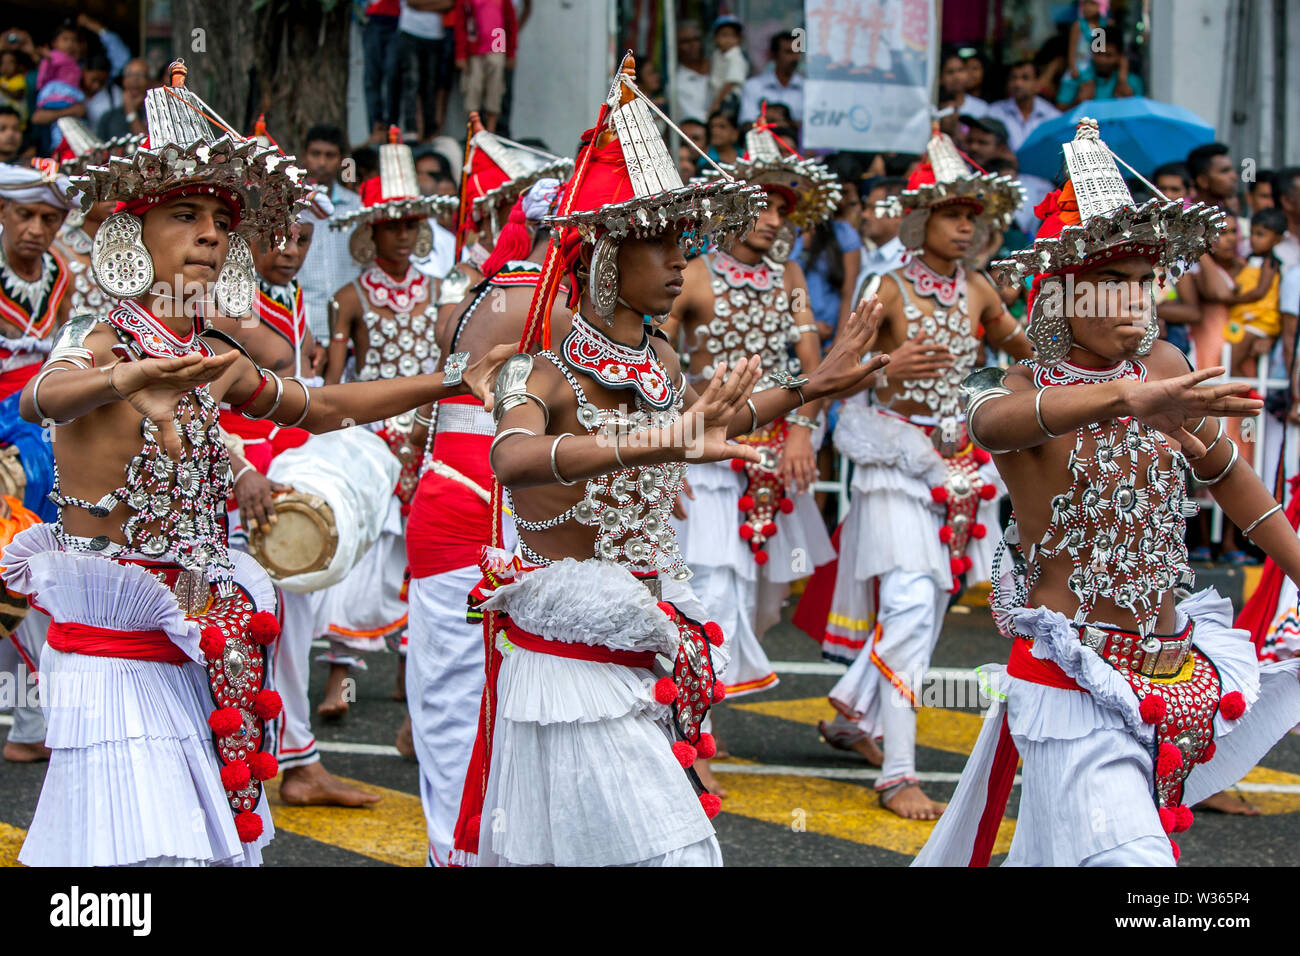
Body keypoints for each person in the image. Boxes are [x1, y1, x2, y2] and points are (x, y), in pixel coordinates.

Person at [1, 60, 506, 867]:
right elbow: (44, 399)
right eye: (187, 215)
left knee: (187, 848)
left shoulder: (212, 357)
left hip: (196, 644)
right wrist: (127, 379)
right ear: (132, 235)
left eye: (220, 221)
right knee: (139, 852)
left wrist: (451, 380)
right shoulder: (99, 341)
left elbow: (326, 406)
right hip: (116, 651)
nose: (212, 234)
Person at [451, 55, 886, 867]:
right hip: (572, 669)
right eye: (663, 245)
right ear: (606, 260)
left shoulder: (658, 362)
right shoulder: (538, 369)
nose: (684, 262)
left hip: (644, 650)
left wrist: (810, 386)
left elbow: (703, 424)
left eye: (685, 244)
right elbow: (512, 458)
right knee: (678, 857)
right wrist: (660, 439)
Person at [915, 117, 1300, 867]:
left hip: (1173, 671)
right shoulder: (1013, 382)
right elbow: (996, 425)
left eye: (1144, 281)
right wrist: (1124, 400)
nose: (1136, 299)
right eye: (1111, 282)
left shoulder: (1162, 362)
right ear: (1058, 293)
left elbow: (1230, 478)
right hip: (1071, 685)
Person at [796, 125, 1031, 820]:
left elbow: (1027, 359)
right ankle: (898, 774)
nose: (966, 227)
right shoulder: (884, 287)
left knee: (926, 612)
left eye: (974, 216)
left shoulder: (982, 289)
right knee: (908, 607)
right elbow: (833, 376)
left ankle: (853, 720)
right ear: (923, 217)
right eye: (954, 214)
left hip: (960, 467)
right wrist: (886, 367)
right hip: (894, 464)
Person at [665, 121, 843, 794]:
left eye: (782, 208)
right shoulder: (692, 274)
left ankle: (691, 721)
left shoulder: (791, 275)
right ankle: (690, 742)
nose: (772, 220)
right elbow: (661, 353)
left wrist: (800, 428)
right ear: (731, 206)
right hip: (710, 463)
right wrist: (689, 410)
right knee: (714, 592)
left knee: (760, 604)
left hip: (770, 464)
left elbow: (809, 364)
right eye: (761, 204)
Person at [404, 178, 566, 865]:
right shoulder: (543, 300)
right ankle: (461, 855)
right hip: (477, 515)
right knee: (469, 703)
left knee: (483, 700)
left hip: (481, 508)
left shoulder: (494, 286)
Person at [315, 129, 458, 717]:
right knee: (367, 550)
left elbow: (450, 367)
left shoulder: (439, 291)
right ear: (371, 230)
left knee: (418, 548)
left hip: (427, 432)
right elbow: (335, 379)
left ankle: (408, 663)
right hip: (372, 437)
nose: (404, 233)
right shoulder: (346, 297)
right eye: (393, 224)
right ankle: (339, 675)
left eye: (411, 223)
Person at [0, 163, 77, 765]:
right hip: (11, 437)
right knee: (23, 559)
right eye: (24, 215)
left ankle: (30, 724)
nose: (35, 229)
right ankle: (31, 721)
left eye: (49, 219)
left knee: (33, 564)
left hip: (43, 423)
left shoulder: (62, 273)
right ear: (2, 213)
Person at [297, 124, 362, 340]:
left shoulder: (356, 207)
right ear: (304, 156)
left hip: (349, 329)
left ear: (341, 160)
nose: (322, 162)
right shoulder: (290, 204)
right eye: (316, 154)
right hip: (302, 325)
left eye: (329, 155)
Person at [1225, 207, 1287, 379]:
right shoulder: (1250, 260)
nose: (1253, 239)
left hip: (1259, 320)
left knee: (1232, 363)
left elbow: (1259, 292)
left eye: (1260, 235)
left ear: (1277, 239)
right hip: (1247, 318)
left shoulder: (1270, 264)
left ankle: (1250, 396)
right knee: (1232, 360)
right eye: (1252, 233)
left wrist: (1234, 299)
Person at [455, 0, 518, 134]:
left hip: (496, 46)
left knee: (494, 91)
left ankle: (490, 132)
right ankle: (474, 132)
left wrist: (511, 52)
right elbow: (461, 25)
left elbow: (510, 22)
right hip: (475, 50)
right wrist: (461, 54)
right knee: (473, 90)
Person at [396, 0, 453, 141]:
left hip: (435, 35)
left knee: (430, 85)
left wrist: (421, 5)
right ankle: (411, 129)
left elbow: (448, 4)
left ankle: (429, 131)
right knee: (411, 81)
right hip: (410, 31)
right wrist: (433, 5)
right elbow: (411, 2)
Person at [1057, 26, 1142, 109]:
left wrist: (1129, 101)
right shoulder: (1076, 77)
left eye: (1108, 55)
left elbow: (1141, 117)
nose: (1102, 60)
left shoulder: (1131, 82)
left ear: (1120, 55)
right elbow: (1058, 115)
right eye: (1098, 54)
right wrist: (1079, 101)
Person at [986, 59, 1060, 152]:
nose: (1018, 83)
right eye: (1013, 78)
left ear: (1037, 84)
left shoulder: (1052, 116)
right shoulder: (994, 113)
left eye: (1025, 78)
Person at [739, 30, 804, 127]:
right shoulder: (754, 86)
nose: (795, 58)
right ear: (773, 55)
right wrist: (767, 121)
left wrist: (788, 124)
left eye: (798, 52)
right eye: (788, 52)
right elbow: (746, 124)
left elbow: (811, 128)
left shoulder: (807, 88)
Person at [857, 175, 907, 291]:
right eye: (866, 208)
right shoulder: (869, 256)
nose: (864, 215)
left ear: (897, 214)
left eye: (872, 209)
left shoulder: (907, 262)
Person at [361, 0, 402, 141]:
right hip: (372, 17)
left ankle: (392, 128)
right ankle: (375, 127)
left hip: (398, 18)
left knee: (393, 75)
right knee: (372, 77)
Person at [94, 58, 149, 140]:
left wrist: (131, 112)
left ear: (149, 81)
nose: (134, 80)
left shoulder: (154, 114)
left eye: (140, 75)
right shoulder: (108, 118)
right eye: (129, 75)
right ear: (123, 81)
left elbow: (147, 145)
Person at [708, 15, 748, 117]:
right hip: (718, 96)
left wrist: (716, 103)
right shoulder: (717, 54)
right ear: (716, 38)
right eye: (724, 35)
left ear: (739, 39)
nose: (729, 39)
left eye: (733, 36)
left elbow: (730, 83)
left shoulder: (736, 56)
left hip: (729, 99)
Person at [674, 21, 712, 124]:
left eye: (696, 39)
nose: (692, 45)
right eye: (686, 41)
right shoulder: (677, 84)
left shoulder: (717, 66)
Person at [939, 49, 987, 119]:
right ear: (940, 79)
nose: (957, 77)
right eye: (950, 72)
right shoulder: (934, 108)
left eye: (960, 70)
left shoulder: (981, 108)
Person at [1067, 0, 1108, 80]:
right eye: (1084, 3)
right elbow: (1072, 49)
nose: (1087, 7)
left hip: (1095, 70)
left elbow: (1102, 50)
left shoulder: (1104, 25)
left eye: (1092, 3)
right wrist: (1073, 68)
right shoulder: (1078, 25)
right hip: (1079, 68)